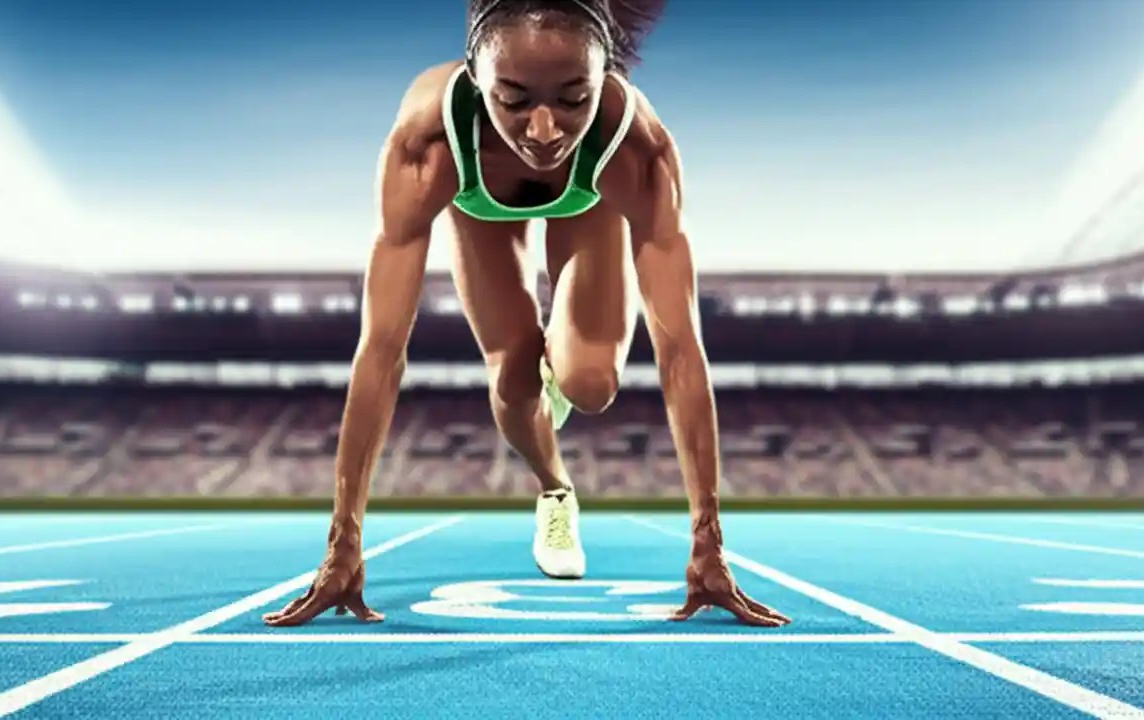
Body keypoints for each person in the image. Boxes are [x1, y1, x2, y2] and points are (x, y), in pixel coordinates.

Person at [263, 0, 791, 628]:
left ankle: (559, 373)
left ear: (604, 79)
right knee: (513, 376)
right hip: (477, 203)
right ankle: (555, 486)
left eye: (574, 98)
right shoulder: (429, 143)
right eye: (513, 99)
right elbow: (380, 347)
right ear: (476, 78)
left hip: (586, 200)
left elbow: (680, 348)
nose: (544, 130)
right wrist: (343, 538)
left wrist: (708, 538)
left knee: (590, 383)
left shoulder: (635, 149)